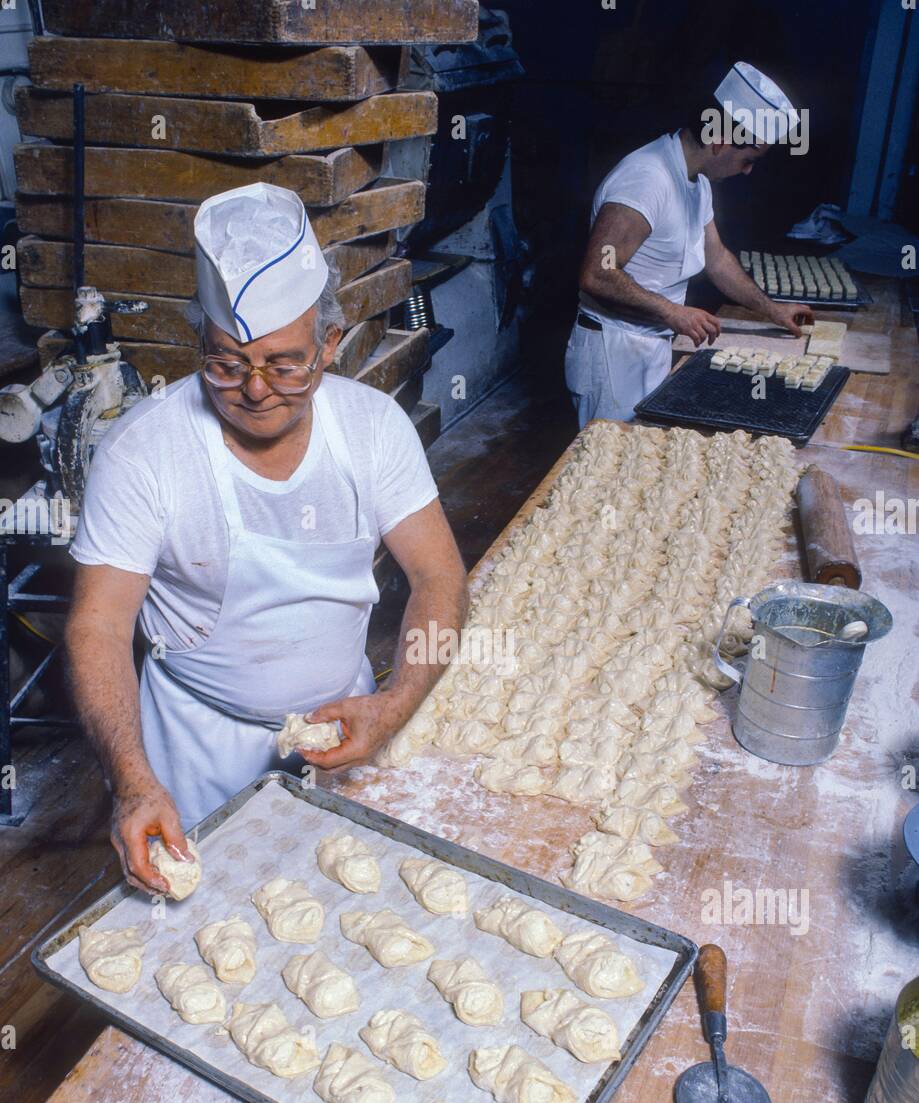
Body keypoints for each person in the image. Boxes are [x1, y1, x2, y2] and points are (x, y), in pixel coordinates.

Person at [65, 182, 467, 893]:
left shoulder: (372, 430)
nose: (255, 390)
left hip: (344, 728)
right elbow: (97, 626)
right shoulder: (144, 451)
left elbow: (439, 577)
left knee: (344, 916)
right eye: (226, 363)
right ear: (198, 344)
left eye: (284, 364)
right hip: (195, 750)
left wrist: (394, 704)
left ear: (330, 345)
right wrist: (132, 783)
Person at [565, 61, 814, 426]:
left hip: (649, 346)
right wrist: (673, 312)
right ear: (720, 141)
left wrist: (771, 309)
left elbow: (717, 260)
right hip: (612, 353)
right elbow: (596, 274)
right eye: (748, 160)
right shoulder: (646, 179)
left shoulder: (696, 181)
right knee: (607, 472)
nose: (748, 171)